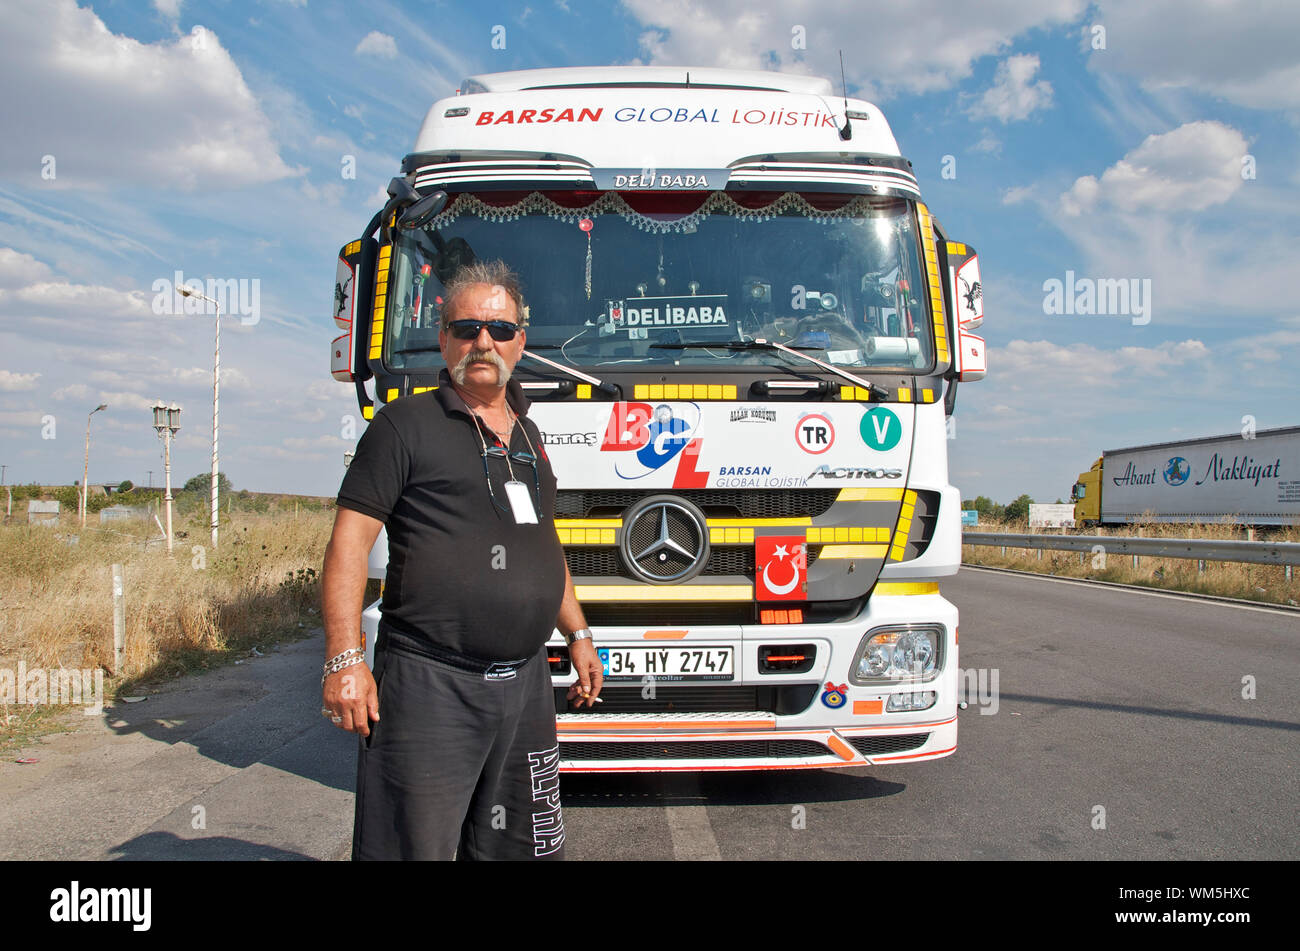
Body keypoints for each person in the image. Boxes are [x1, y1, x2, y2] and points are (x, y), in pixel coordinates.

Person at [320, 259, 602, 860]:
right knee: (413, 848)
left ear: (520, 342)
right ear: (444, 338)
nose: (483, 342)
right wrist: (345, 658)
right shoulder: (404, 426)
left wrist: (576, 631)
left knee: (514, 848)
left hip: (524, 684)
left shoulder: (528, 436)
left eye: (499, 329)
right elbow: (348, 543)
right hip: (429, 685)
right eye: (467, 327)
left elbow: (541, 543)